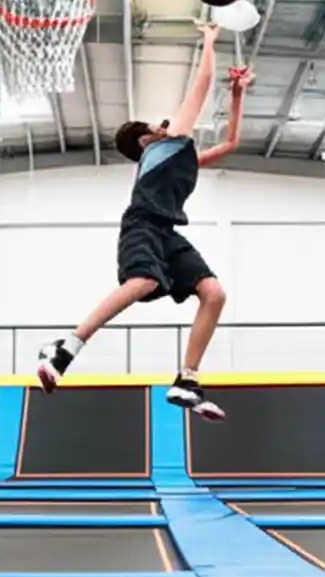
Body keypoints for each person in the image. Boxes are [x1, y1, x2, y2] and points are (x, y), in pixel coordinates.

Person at [37, 23, 251, 422]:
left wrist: (237, 95)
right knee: (144, 282)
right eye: (156, 127)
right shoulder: (162, 148)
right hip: (141, 226)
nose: (164, 125)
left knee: (214, 293)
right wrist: (209, 39)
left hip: (167, 233)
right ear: (147, 141)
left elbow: (230, 144)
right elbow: (201, 86)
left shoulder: (177, 155)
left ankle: (187, 381)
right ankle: (65, 348)